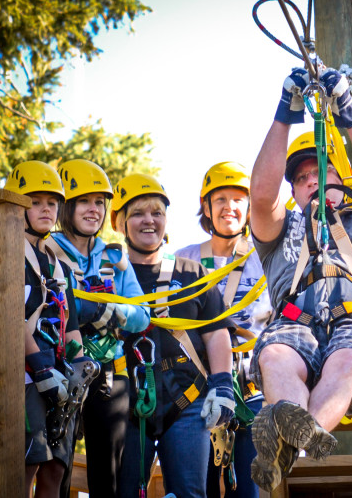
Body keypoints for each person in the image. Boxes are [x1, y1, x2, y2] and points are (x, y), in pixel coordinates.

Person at [248, 67, 352, 492]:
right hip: (294, 324)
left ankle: (293, 439)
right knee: (275, 357)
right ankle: (296, 434)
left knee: (347, 360)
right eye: (301, 178)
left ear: (345, 180)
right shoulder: (282, 231)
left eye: (322, 173)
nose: (312, 180)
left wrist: (347, 111)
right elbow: (261, 198)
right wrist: (286, 111)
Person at [110, 173, 235, 498]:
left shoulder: (190, 273)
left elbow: (216, 332)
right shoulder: (108, 279)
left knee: (190, 494)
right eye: (137, 213)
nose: (148, 221)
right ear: (119, 221)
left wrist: (222, 384)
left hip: (187, 399)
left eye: (157, 213)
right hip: (126, 401)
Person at [46, 159, 151, 498]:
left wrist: (103, 309)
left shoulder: (113, 255)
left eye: (99, 203)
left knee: (108, 475)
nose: (93, 210)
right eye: (84, 201)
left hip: (108, 374)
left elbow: (142, 314)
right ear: (67, 206)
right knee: (56, 468)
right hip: (59, 370)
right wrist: (81, 307)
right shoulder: (48, 249)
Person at [175, 162, 273, 498]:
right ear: (206, 206)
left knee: (249, 489)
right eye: (220, 199)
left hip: (253, 386)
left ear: (249, 207)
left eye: (237, 199)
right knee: (201, 488)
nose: (229, 207)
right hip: (200, 386)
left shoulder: (267, 258)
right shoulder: (182, 260)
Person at [5, 161, 94, 498]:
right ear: (18, 206)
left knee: (56, 469)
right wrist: (40, 367)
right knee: (27, 464)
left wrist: (81, 369)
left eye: (52, 202)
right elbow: (11, 317)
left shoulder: (58, 264)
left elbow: (70, 326)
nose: (45, 208)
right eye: (35, 201)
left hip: (59, 381)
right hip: (27, 377)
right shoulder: (8, 253)